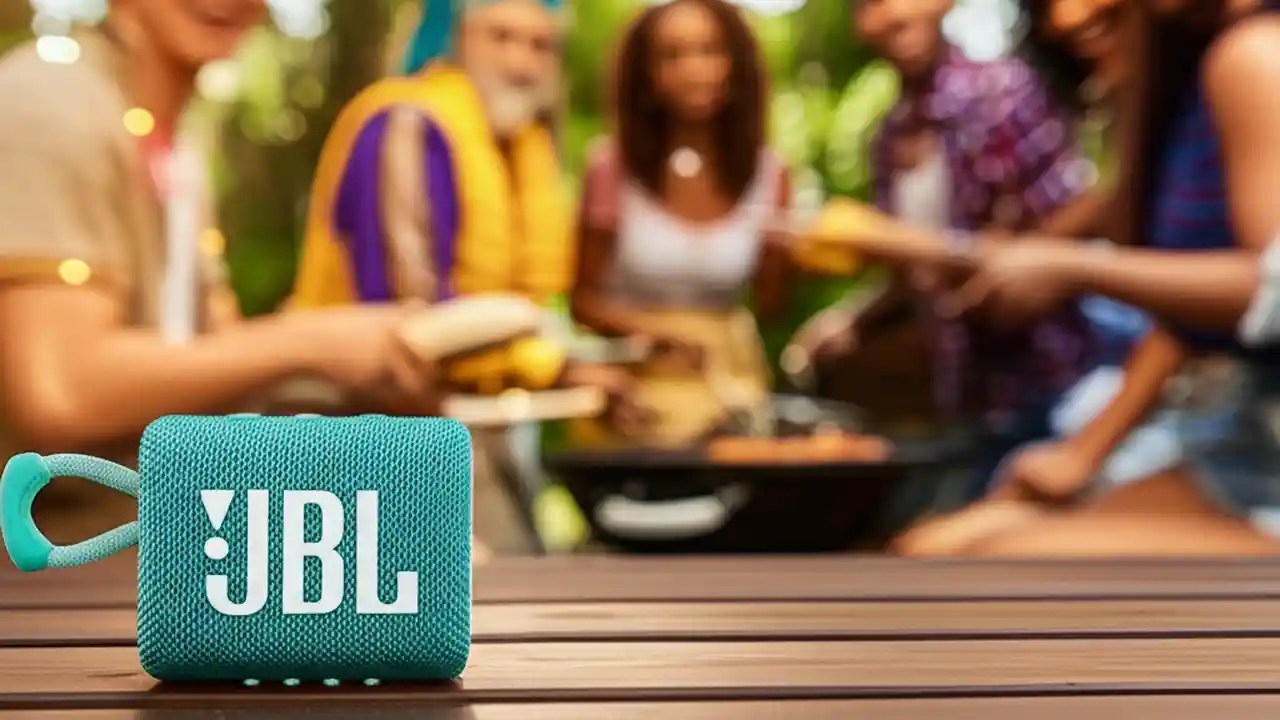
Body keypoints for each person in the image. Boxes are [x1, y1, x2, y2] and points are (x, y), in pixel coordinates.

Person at [0, 1, 440, 542]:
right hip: (54, 568)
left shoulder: (173, 143)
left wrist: (365, 359)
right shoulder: (53, 104)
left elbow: (214, 359)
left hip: (164, 547)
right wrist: (307, 343)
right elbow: (60, 389)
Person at [891, 0, 1280, 555]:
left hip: (1260, 466)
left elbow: (1271, 290)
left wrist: (1074, 268)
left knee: (978, 569)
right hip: (1227, 449)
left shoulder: (1254, 54)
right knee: (930, 547)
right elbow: (1183, 320)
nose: (1066, 19)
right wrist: (1083, 453)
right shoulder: (1187, 78)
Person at [793, 0, 1095, 498]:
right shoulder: (891, 135)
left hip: (1045, 380)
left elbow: (1072, 219)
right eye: (869, 5)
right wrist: (851, 320)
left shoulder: (1004, 92)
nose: (889, 16)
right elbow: (911, 276)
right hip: (963, 393)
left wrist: (908, 245)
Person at [570, 0, 791, 444]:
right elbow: (582, 302)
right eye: (672, 56)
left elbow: (772, 306)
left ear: (735, 64)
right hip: (634, 393)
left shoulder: (770, 175)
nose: (695, 69)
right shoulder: (612, 169)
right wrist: (658, 332)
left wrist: (785, 256)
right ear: (647, 76)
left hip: (731, 390)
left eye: (710, 50)